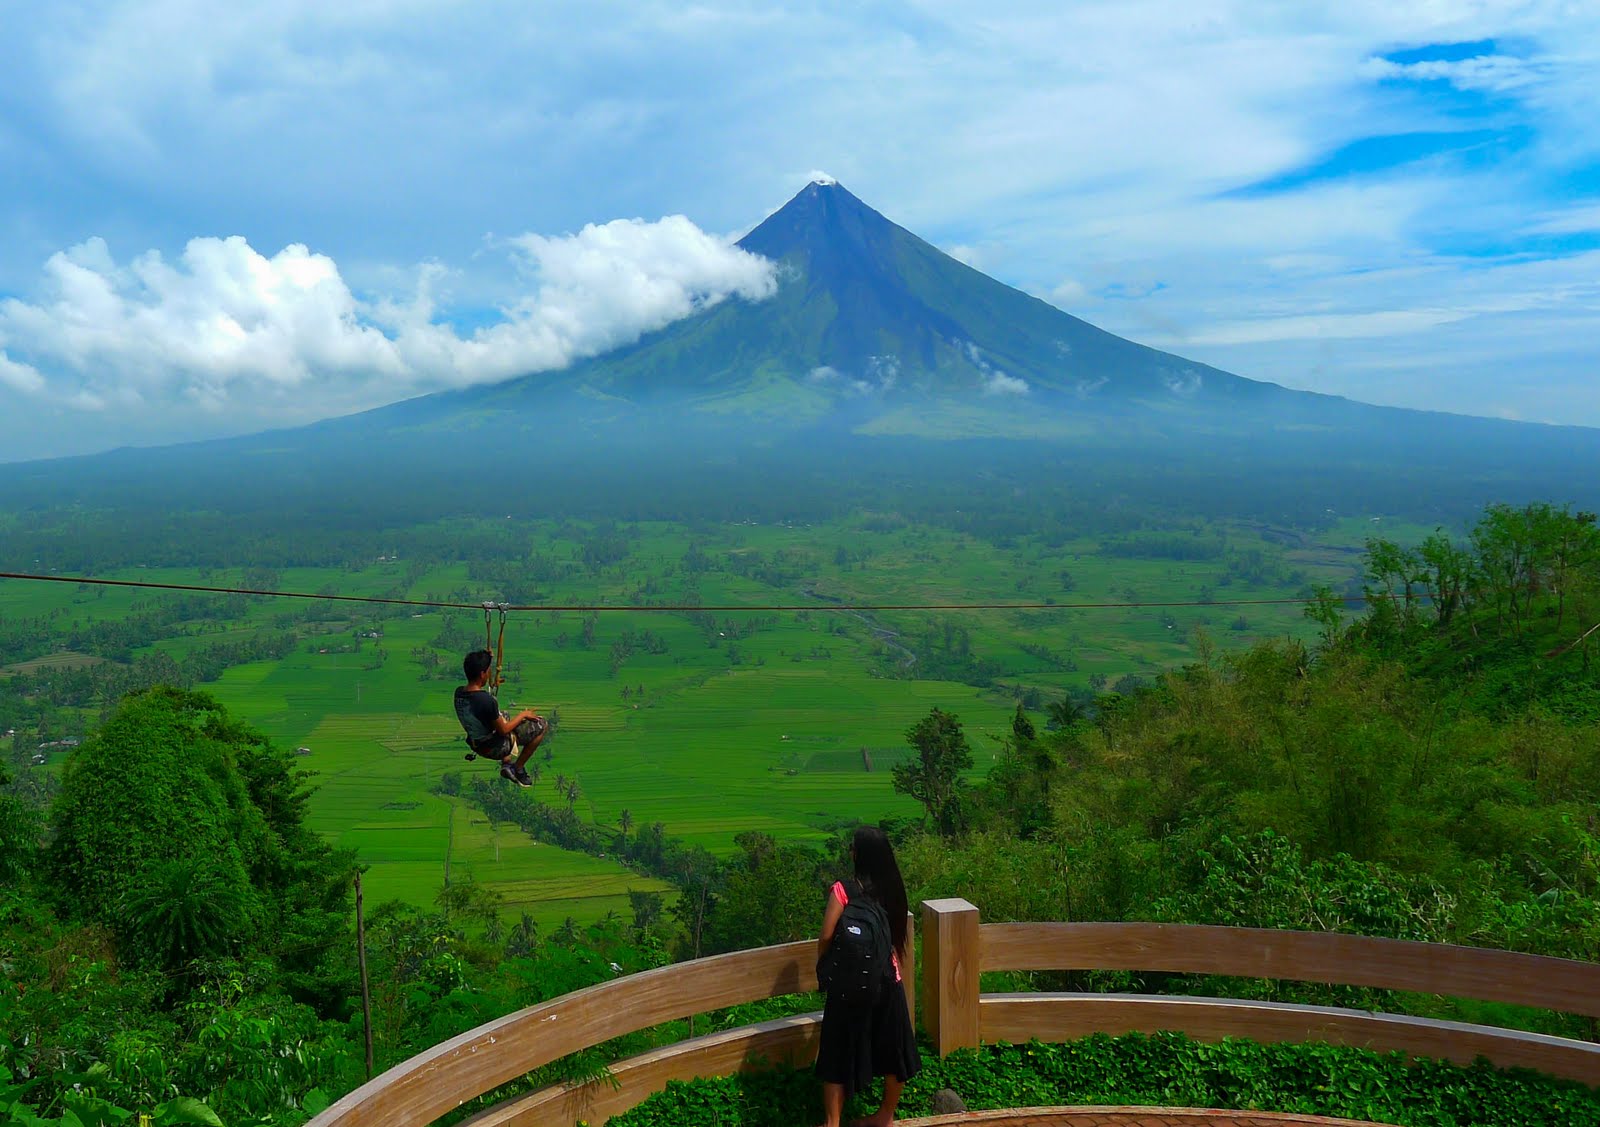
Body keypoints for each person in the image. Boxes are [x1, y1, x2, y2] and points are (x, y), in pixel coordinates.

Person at [814, 825, 920, 1127]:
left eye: (852, 847)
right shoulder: (893, 891)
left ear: (858, 854)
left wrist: (825, 964)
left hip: (847, 985)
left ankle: (833, 1122)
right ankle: (885, 1115)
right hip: (887, 981)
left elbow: (825, 936)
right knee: (893, 1050)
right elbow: (895, 939)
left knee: (836, 1053)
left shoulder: (842, 890)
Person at [453, 648, 549, 787]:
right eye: (488, 671)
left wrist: (488, 658)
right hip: (494, 748)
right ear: (482, 674)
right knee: (542, 725)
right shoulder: (486, 701)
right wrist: (524, 714)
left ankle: (506, 764)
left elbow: (481, 701)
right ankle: (517, 768)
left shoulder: (459, 693)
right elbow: (503, 730)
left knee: (503, 714)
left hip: (476, 743)